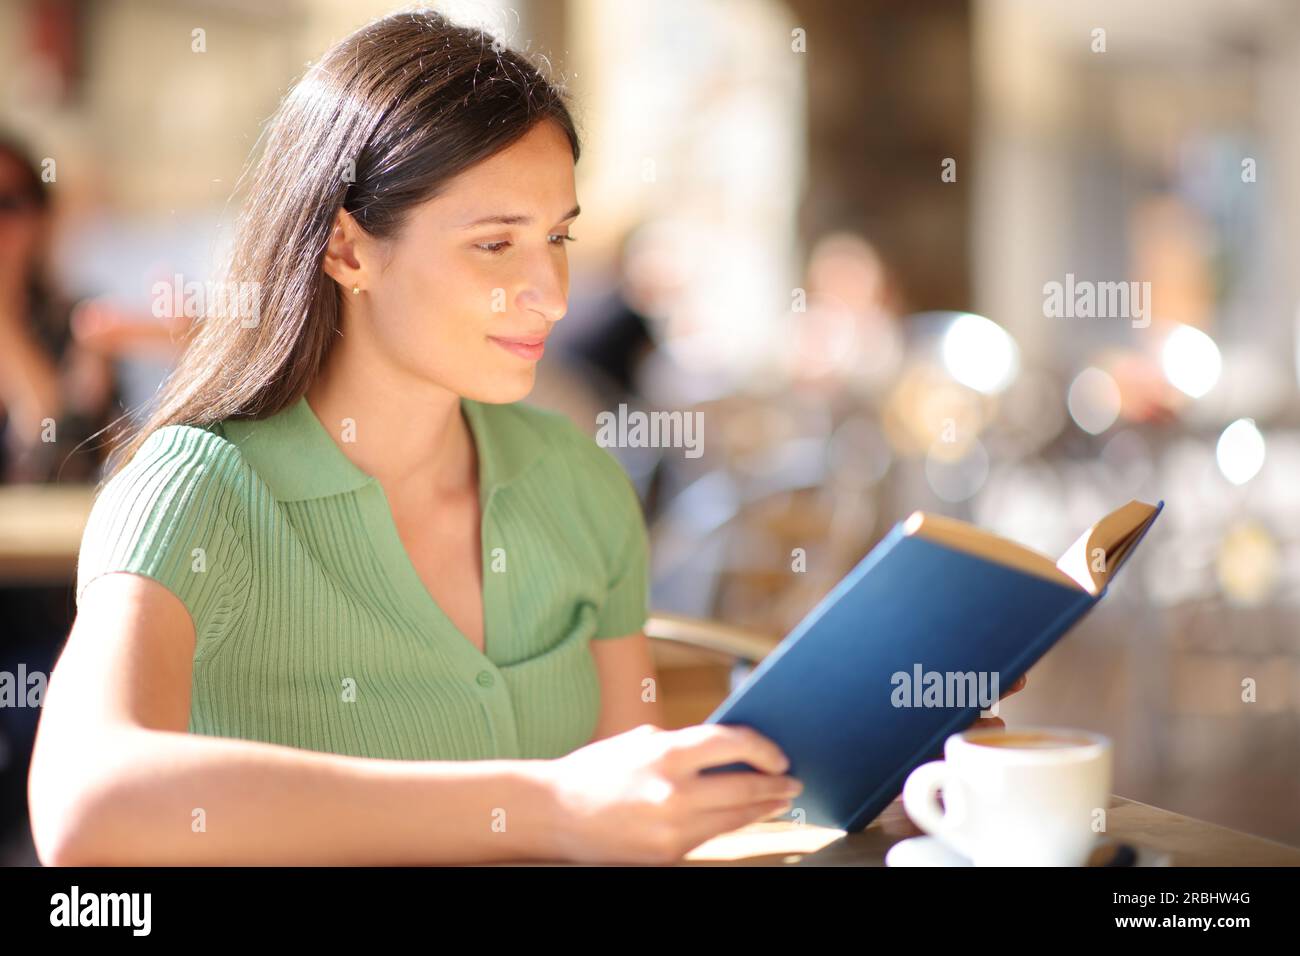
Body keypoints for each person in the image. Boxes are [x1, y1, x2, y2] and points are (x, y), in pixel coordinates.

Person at [24, 11, 811, 866]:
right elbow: (86, 807)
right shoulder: (198, 487)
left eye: (557, 237)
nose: (549, 291)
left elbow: (632, 823)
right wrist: (546, 806)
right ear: (346, 249)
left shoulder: (579, 479)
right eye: (495, 243)